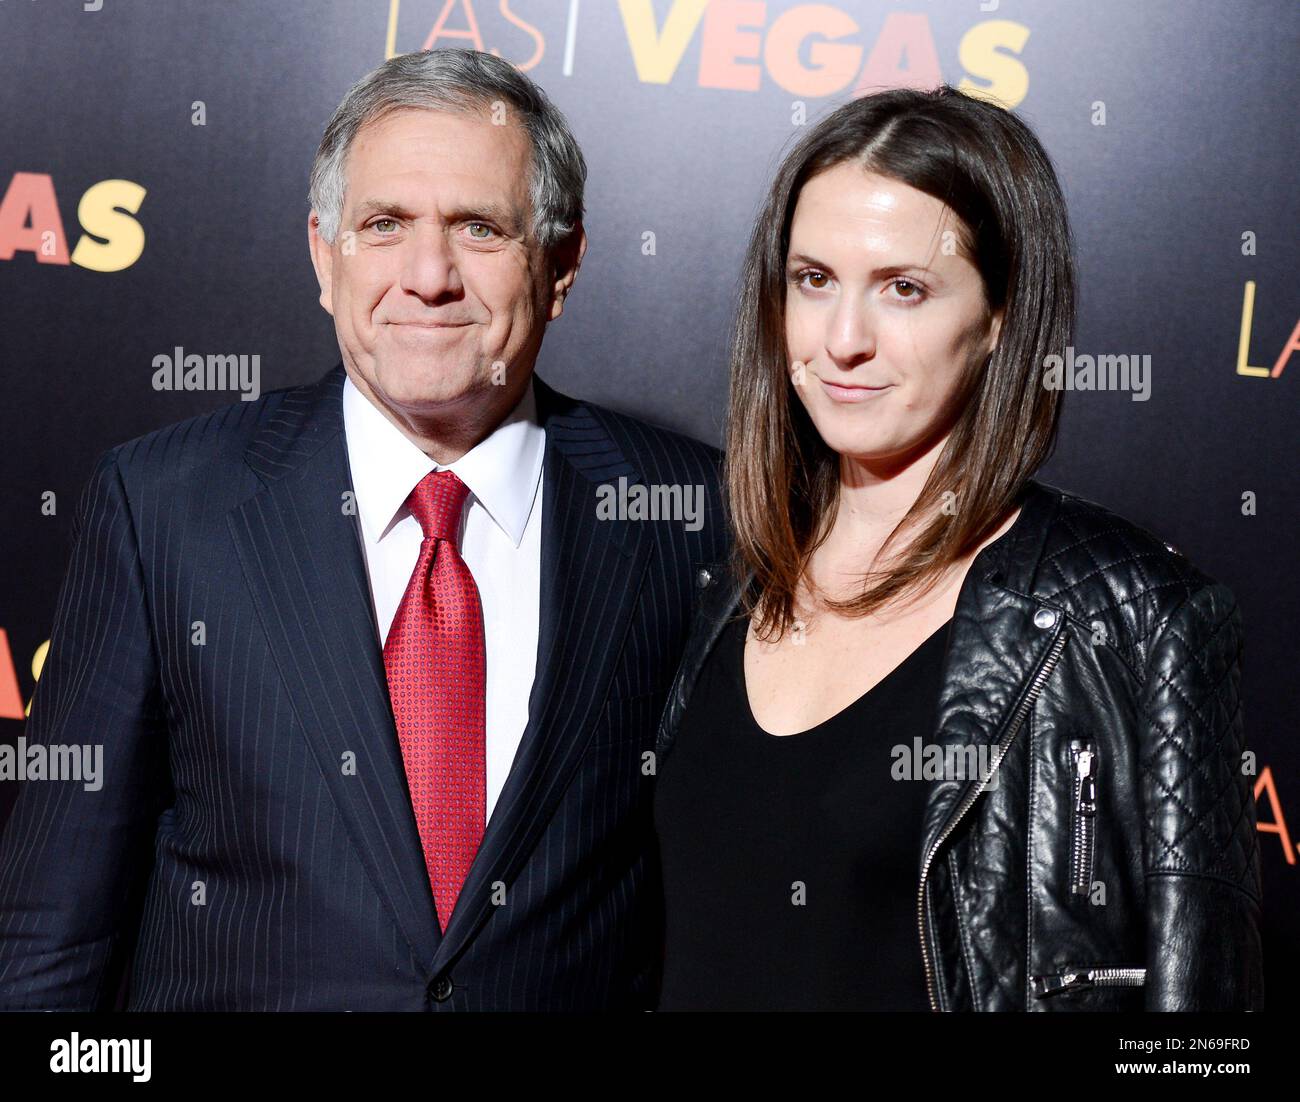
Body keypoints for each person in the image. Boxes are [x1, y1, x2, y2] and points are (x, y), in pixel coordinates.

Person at [0, 48, 726, 1011]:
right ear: (324, 255)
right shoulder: (164, 505)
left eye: (479, 228)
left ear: (561, 265)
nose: (430, 276)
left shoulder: (690, 514)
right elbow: (53, 939)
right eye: (385, 225)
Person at [652, 85, 1264, 1012]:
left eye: (904, 288)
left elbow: (1201, 1035)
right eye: (813, 280)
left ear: (1000, 322)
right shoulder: (729, 579)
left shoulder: (1132, 620)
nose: (842, 340)